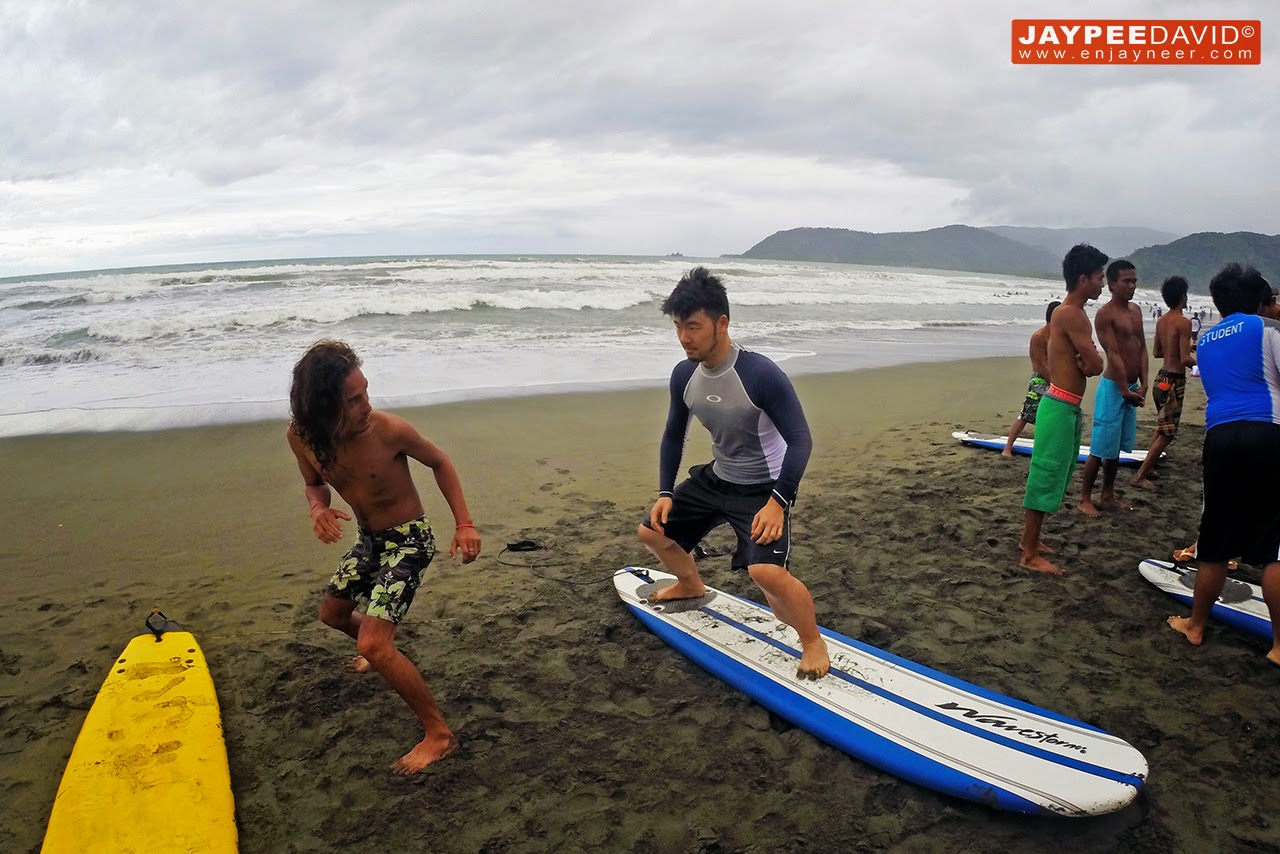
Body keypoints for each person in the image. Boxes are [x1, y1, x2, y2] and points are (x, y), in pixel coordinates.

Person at [286, 340, 483, 773]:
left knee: (373, 643)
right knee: (333, 614)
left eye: (366, 393)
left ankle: (439, 735)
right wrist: (317, 508)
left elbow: (440, 461)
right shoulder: (302, 436)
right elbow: (314, 483)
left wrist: (464, 524)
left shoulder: (388, 430)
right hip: (370, 541)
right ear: (323, 409)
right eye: (353, 400)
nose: (366, 406)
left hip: (409, 541)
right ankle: (381, 652)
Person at [637, 267, 829, 678]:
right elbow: (673, 435)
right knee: (652, 532)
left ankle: (812, 640)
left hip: (764, 487)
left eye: (693, 326)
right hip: (718, 477)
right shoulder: (684, 374)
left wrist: (778, 502)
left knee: (766, 574)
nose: (684, 337)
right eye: (678, 326)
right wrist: (665, 492)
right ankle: (691, 585)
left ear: (721, 323)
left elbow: (801, 441)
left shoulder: (761, 375)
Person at [1168, 264, 1280, 666]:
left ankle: (1196, 625)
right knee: (1274, 545)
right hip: (1267, 431)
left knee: (1214, 538)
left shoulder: (1207, 340)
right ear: (1258, 300)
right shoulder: (1267, 329)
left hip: (1219, 437)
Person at [1019, 245, 1106, 574]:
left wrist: (1087, 362)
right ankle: (1029, 554)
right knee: (1045, 474)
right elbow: (1095, 365)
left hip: (1064, 405)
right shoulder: (1071, 314)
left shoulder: (1071, 313)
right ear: (1083, 279)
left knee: (1055, 472)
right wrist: (1089, 362)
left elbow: (1088, 362)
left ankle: (1030, 541)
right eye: (1099, 277)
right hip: (1058, 405)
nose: (1102, 283)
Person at [1078, 260, 1148, 517]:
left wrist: (1144, 383)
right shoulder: (1105, 314)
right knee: (1099, 447)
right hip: (1113, 388)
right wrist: (1123, 389)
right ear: (1112, 284)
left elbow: (1141, 348)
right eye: (1126, 281)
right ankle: (1084, 498)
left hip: (1132, 386)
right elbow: (1113, 353)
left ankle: (1107, 494)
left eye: (1134, 281)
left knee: (1116, 446)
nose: (1131, 286)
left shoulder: (1136, 311)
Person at [1131, 276, 1196, 488]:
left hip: (1160, 380)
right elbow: (1185, 359)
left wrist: (1179, 349)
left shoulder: (1162, 321)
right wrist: (1204, 363)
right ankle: (1140, 476)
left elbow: (1158, 352)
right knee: (1168, 433)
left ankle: (1148, 468)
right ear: (1182, 296)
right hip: (1174, 382)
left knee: (1162, 427)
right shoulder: (1184, 322)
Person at [1002, 300, 1060, 457]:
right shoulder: (1039, 337)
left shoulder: (1058, 337)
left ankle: (1048, 446)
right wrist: (1055, 385)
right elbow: (1041, 365)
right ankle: (1008, 447)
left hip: (1055, 379)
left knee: (1052, 416)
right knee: (1027, 413)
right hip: (1039, 381)